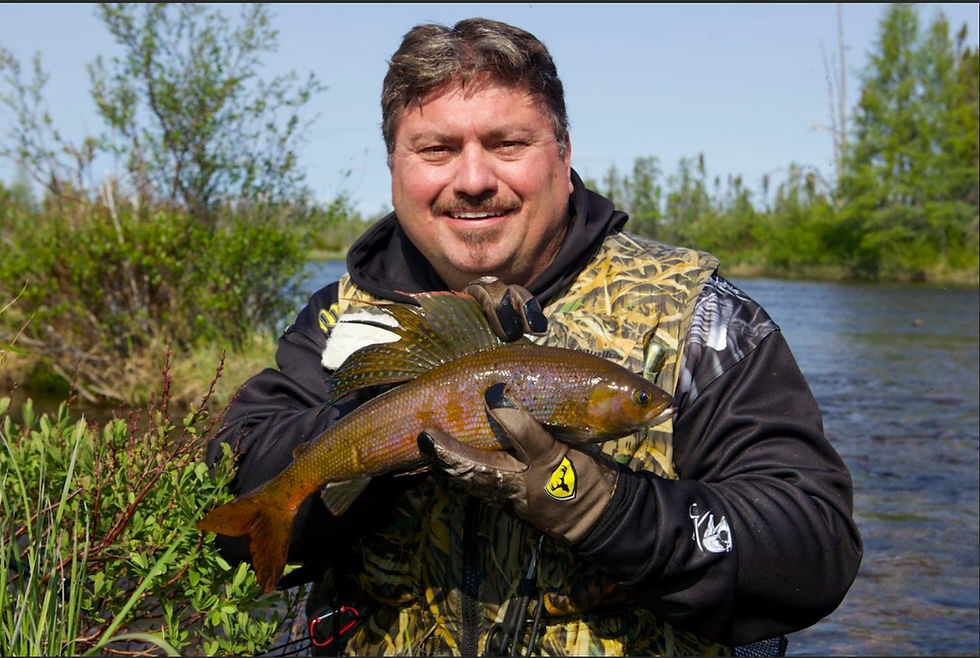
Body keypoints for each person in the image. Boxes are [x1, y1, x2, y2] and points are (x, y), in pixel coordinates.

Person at [205, 17, 862, 656]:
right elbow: (228, 494)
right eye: (435, 150)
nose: (471, 180)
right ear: (394, 167)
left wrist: (604, 508)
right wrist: (374, 430)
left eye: (507, 144)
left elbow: (813, 546)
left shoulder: (696, 315)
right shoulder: (340, 317)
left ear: (565, 156)